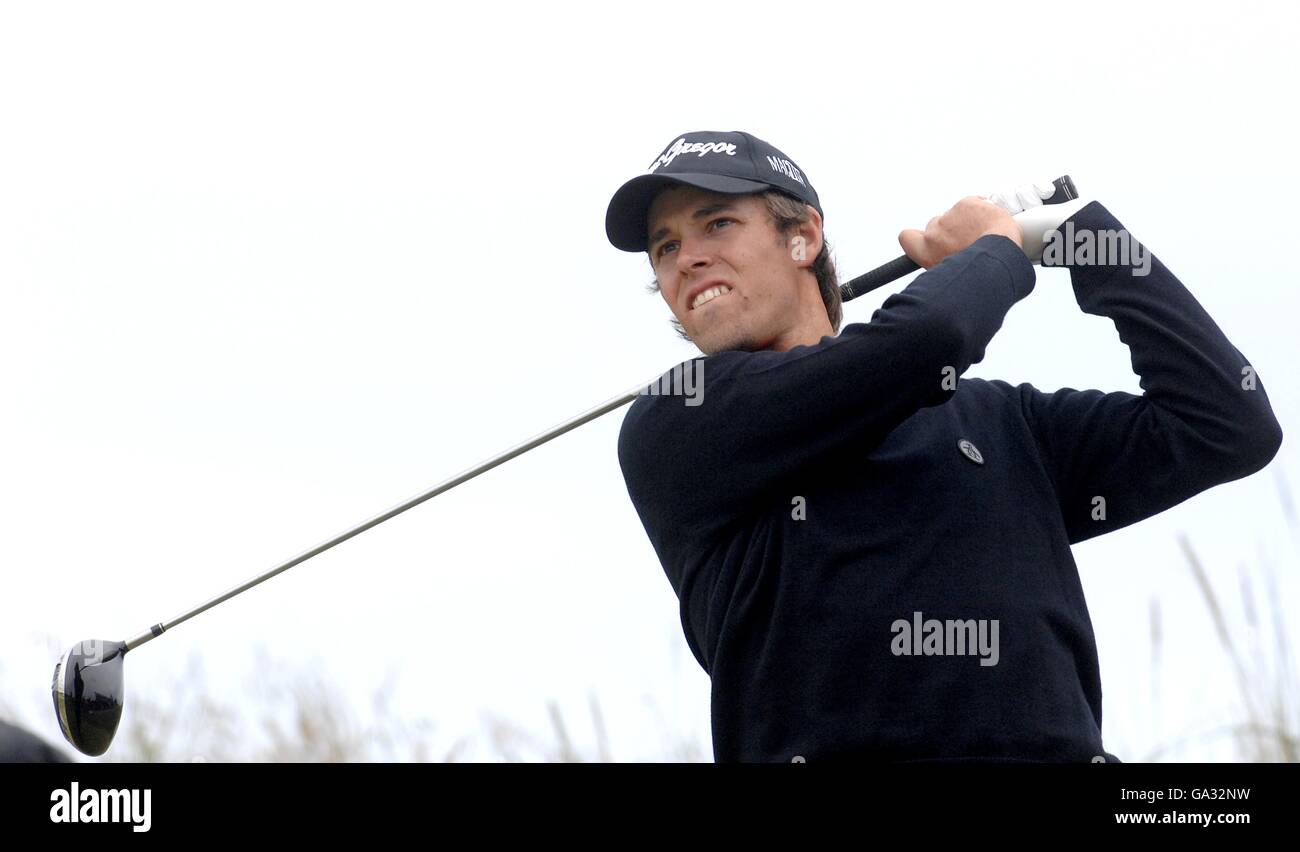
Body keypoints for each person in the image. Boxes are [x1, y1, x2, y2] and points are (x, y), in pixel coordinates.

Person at [605, 130, 1284, 762]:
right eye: (665, 248)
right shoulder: (677, 420)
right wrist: (995, 249)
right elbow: (927, 339)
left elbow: (1227, 423)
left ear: (803, 237)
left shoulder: (1000, 422)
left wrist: (1087, 234)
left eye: (717, 224)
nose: (687, 258)